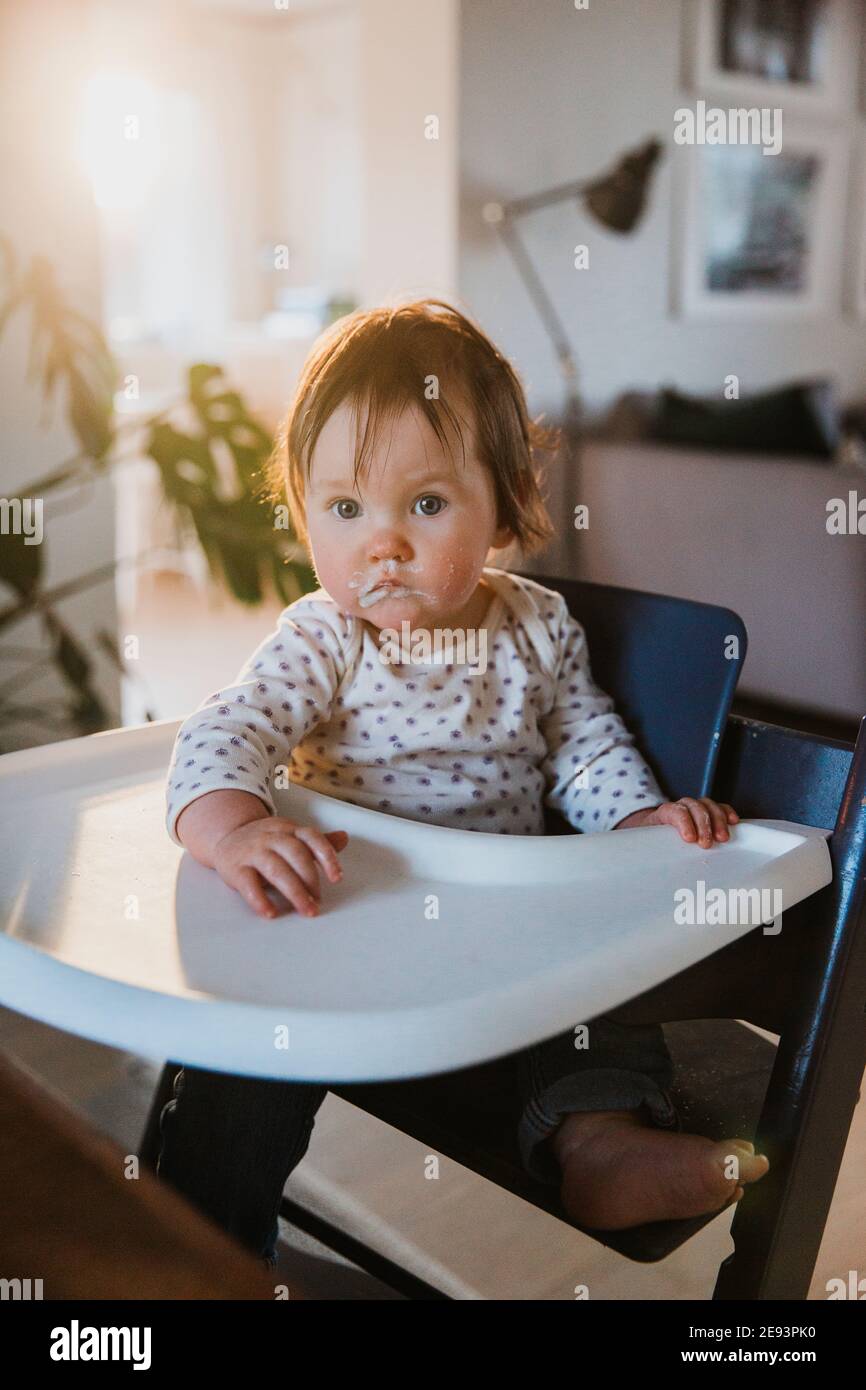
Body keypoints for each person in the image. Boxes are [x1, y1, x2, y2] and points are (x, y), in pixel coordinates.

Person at [159, 298, 769, 1270]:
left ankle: (599, 1142)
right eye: (345, 508)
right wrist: (232, 830)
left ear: (508, 502)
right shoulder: (324, 635)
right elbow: (225, 733)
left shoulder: (536, 627)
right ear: (303, 507)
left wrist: (640, 820)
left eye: (426, 505)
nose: (382, 542)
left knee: (600, 981)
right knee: (249, 1052)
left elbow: (582, 745)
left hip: (497, 936)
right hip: (347, 929)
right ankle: (203, 1246)